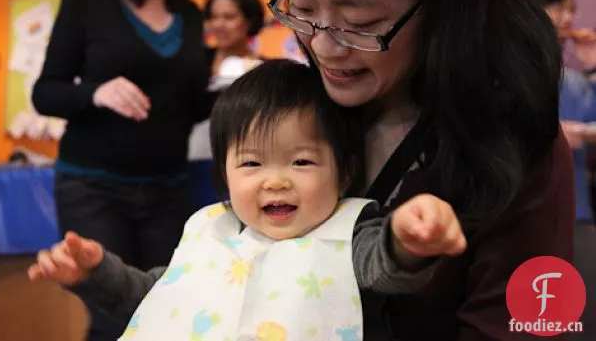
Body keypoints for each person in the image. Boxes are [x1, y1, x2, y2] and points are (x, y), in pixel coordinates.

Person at [33, 0, 576, 339]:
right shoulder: (301, 108)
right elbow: (173, 291)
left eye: (359, 20)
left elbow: (524, 317)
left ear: (447, 5)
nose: (321, 46)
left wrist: (412, 243)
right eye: (299, 6)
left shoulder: (513, 143)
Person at [28, 60, 467, 340]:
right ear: (225, 175)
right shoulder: (211, 234)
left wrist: (406, 239)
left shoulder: (347, 235)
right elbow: (155, 298)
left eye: (301, 162)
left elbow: (386, 264)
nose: (275, 182)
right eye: (252, 165)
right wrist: (94, 273)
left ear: (345, 171)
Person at [30, 0, 209, 340]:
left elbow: (192, 107)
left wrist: (244, 86)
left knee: (171, 310)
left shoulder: (192, 14)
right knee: (112, 322)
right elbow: (45, 94)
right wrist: (96, 93)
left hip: (169, 190)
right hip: (93, 189)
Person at [527, 0, 596, 341]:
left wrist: (592, 70)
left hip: (577, 213)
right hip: (525, 214)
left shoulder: (574, 78)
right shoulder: (513, 73)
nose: (571, 18)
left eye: (572, 9)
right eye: (563, 8)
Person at [188, 0, 266, 207]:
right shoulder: (191, 62)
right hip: (184, 170)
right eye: (214, 17)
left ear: (249, 20)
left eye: (229, 17)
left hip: (239, 170)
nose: (219, 25)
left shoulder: (263, 71)